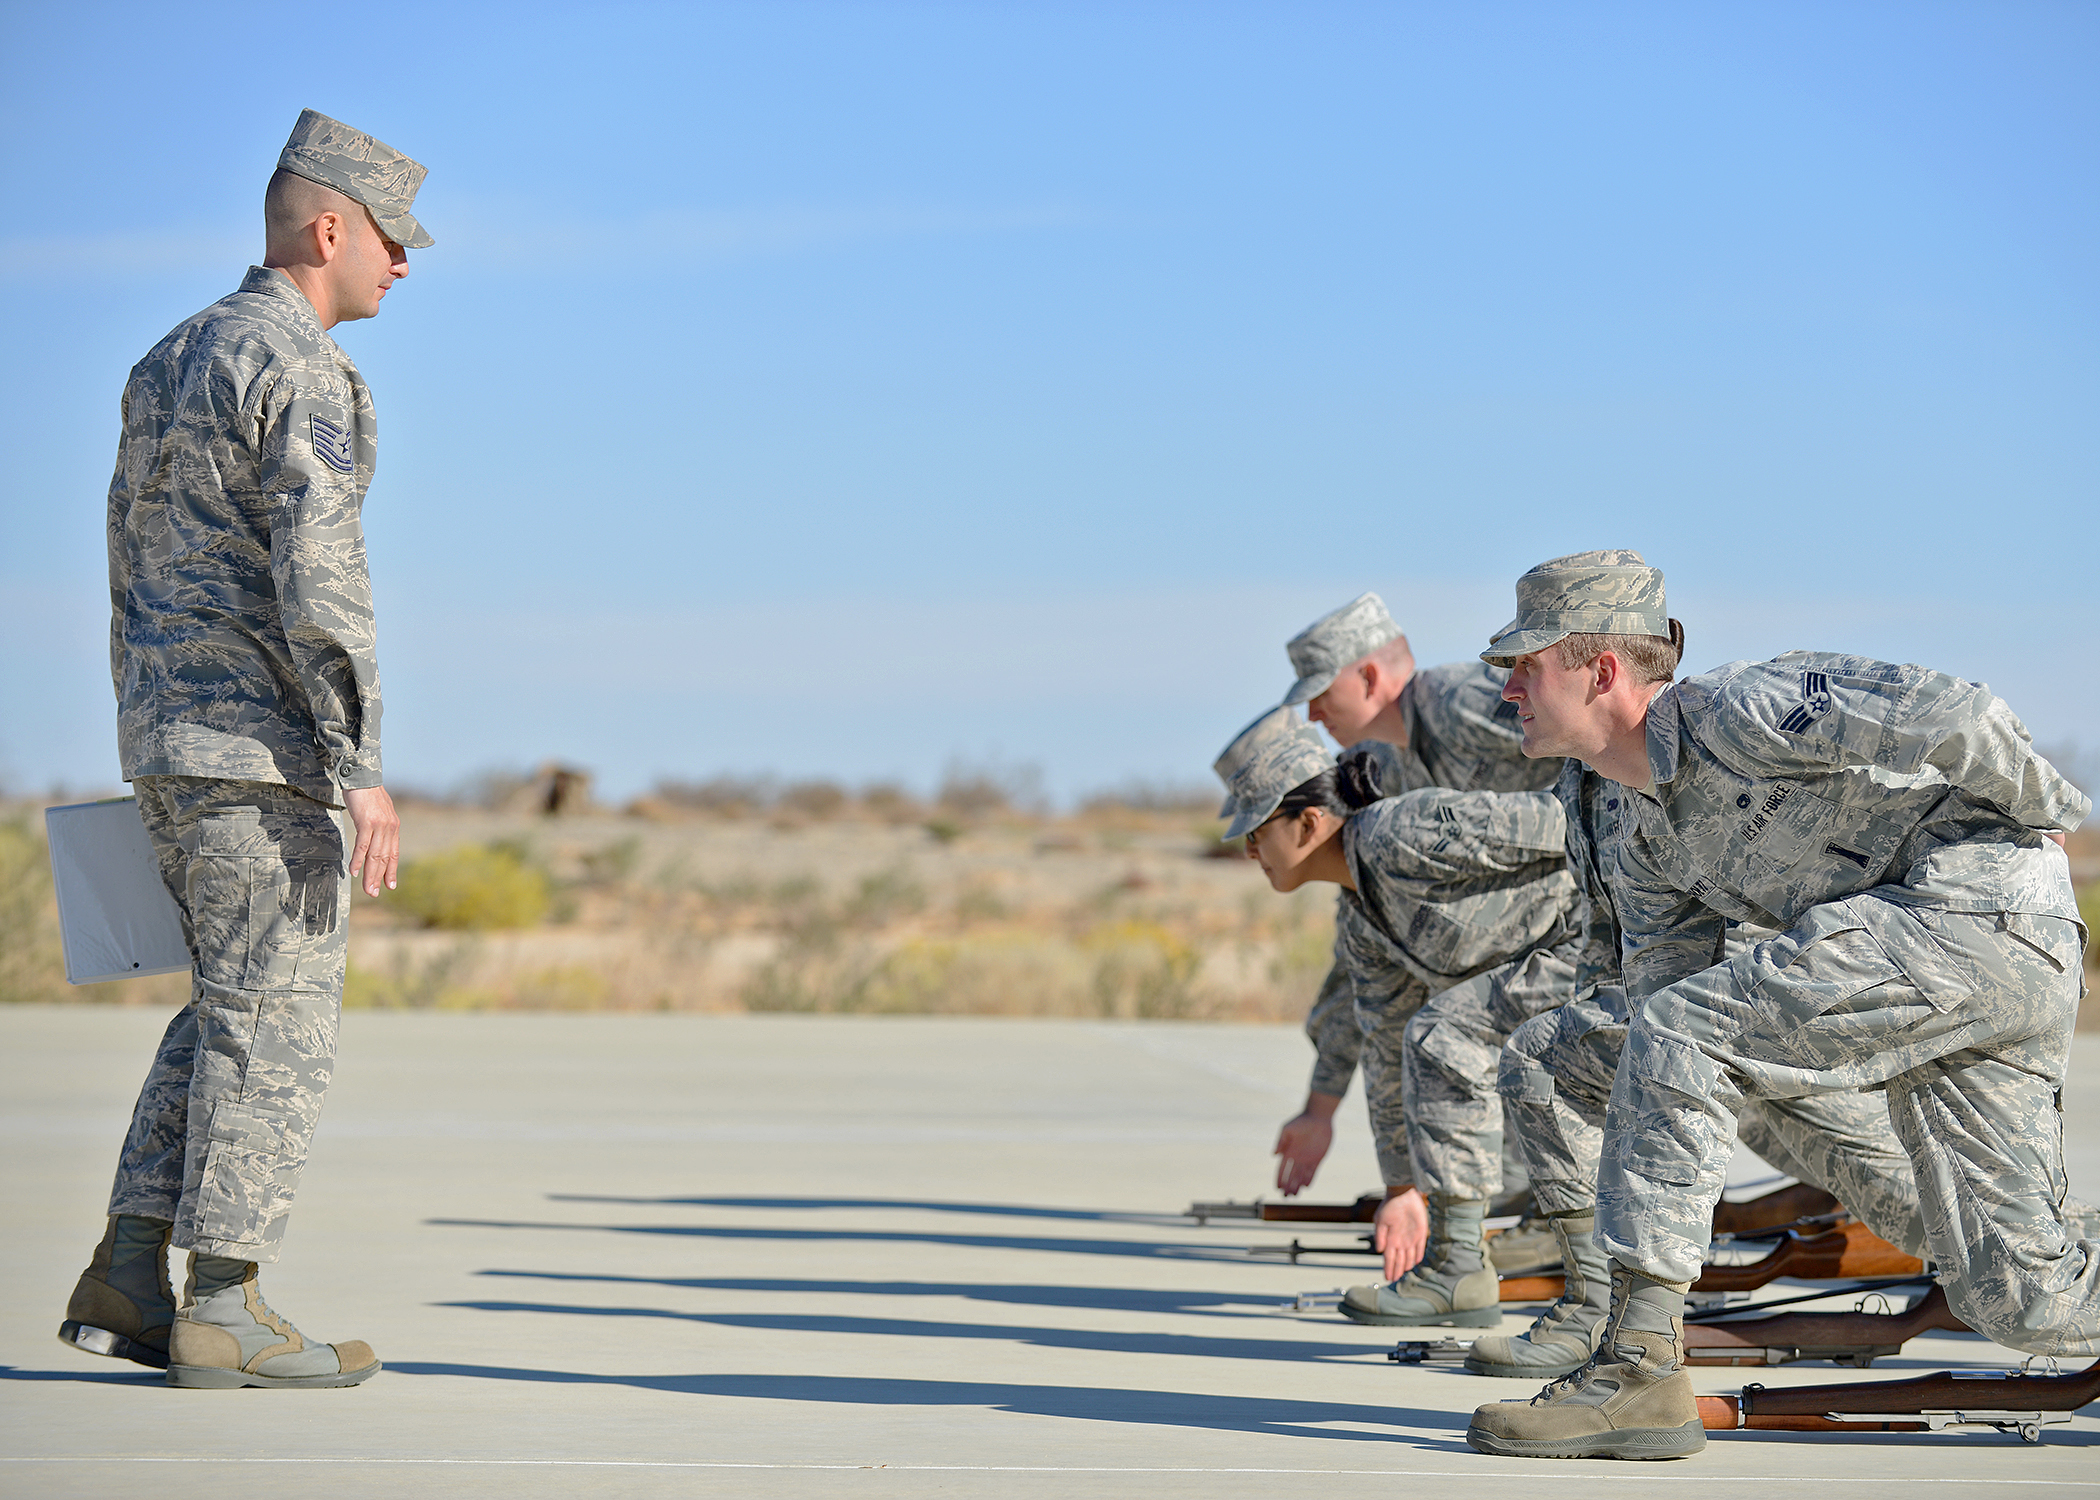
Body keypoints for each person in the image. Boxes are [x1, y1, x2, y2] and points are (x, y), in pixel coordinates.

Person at [1466, 550, 2096, 1460]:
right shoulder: (1643, 840)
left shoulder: (1736, 710)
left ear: (1601, 671)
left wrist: (2047, 809)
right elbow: (1663, 1018)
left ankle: (1638, 1370)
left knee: (1684, 1035)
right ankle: (1637, 1362)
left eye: (1526, 665)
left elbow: (1954, 713)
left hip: (1971, 908)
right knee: (2023, 1297)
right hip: (1954, 970)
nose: (1507, 689)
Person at [60, 108, 432, 1390]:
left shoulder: (169, 356)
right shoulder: (296, 364)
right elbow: (321, 575)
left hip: (167, 738)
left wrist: (146, 722)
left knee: (226, 1003)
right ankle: (225, 1305)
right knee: (277, 1020)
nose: (403, 262)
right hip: (260, 751)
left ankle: (129, 1269)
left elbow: (125, 559)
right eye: (390, 237)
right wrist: (359, 763)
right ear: (329, 230)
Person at [1214, 708, 1579, 1327]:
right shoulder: (1361, 920)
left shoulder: (1402, 829)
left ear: (1309, 822)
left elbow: (1561, 822)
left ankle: (1480, 1264)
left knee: (1446, 1033)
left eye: (1257, 832)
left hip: (1609, 948)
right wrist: (1401, 1190)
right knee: (1430, 1038)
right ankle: (1462, 1263)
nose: (1250, 851)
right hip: (1558, 986)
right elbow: (1384, 1049)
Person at [1266, 593, 1564, 1277]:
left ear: (1369, 677)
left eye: (1320, 694)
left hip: (1604, 926)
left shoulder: (1462, 701)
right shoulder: (1386, 769)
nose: (1311, 716)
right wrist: (1321, 1108)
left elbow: (1609, 753)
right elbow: (1367, 954)